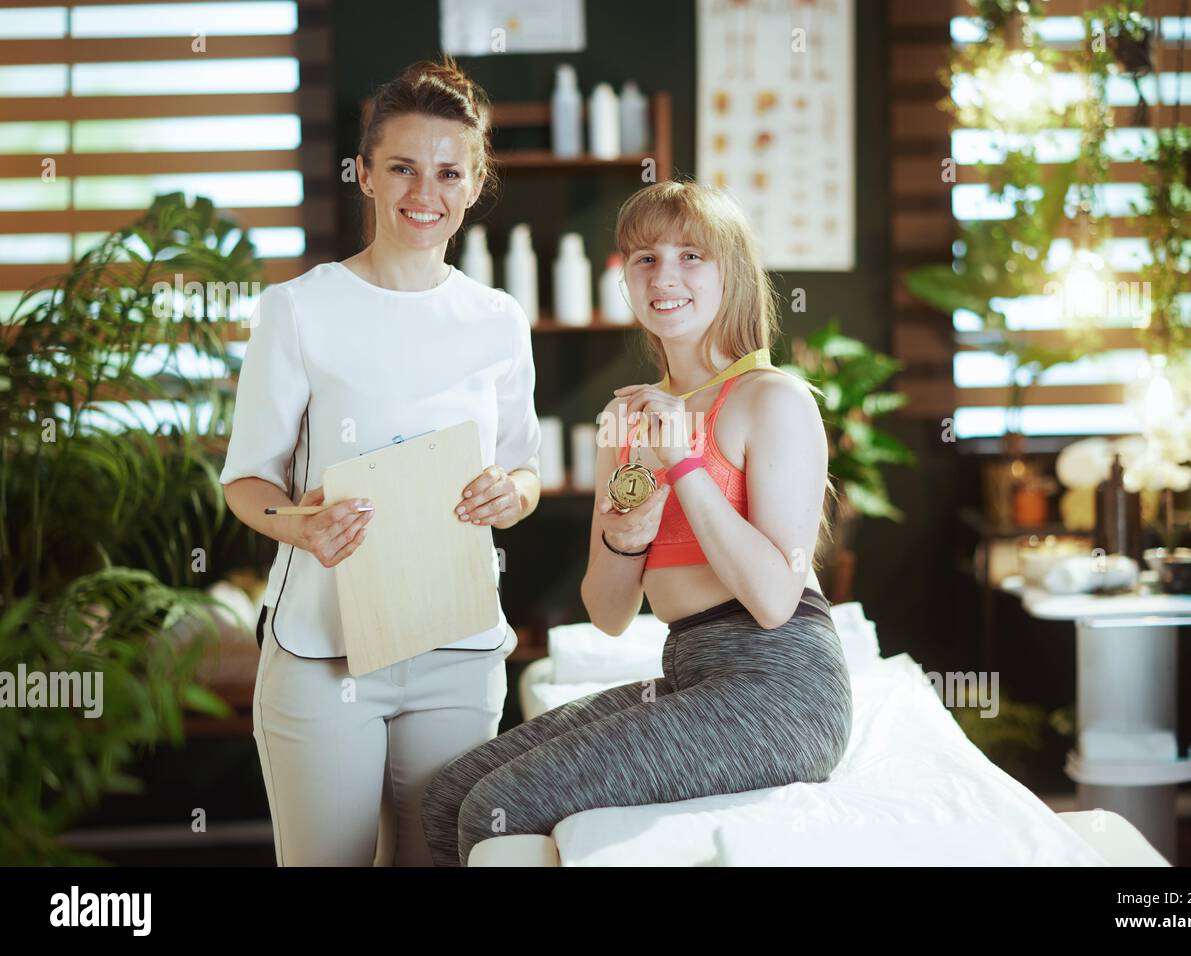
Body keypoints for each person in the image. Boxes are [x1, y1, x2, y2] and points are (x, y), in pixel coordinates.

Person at [421, 179, 853, 866]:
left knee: (493, 810)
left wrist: (683, 464)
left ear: (731, 273)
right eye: (645, 258)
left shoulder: (773, 400)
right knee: (448, 797)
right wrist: (628, 535)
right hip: (689, 670)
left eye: (691, 256)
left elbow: (774, 600)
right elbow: (609, 612)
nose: (665, 276)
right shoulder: (627, 420)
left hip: (781, 690)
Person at [219, 57, 541, 866]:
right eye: (401, 167)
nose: (422, 192)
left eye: (447, 173)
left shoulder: (497, 319)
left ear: (473, 186)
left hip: (457, 652)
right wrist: (302, 526)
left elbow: (524, 469)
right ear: (364, 174)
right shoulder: (299, 309)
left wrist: (512, 494)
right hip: (322, 651)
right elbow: (247, 483)